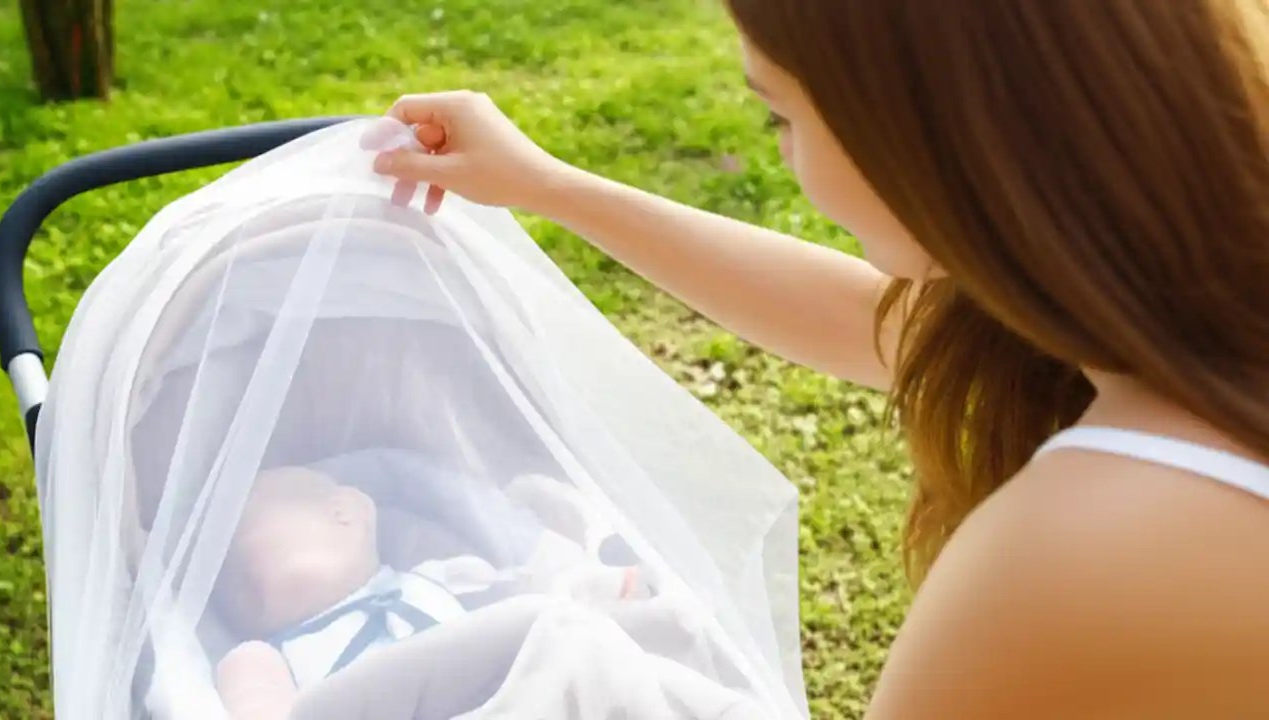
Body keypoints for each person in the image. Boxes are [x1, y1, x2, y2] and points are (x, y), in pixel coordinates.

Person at [369, 2, 1269, 718]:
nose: (786, 152)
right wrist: (546, 185)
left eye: (778, 116)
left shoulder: (1071, 553)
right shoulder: (1187, 311)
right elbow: (886, 325)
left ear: (922, 132)